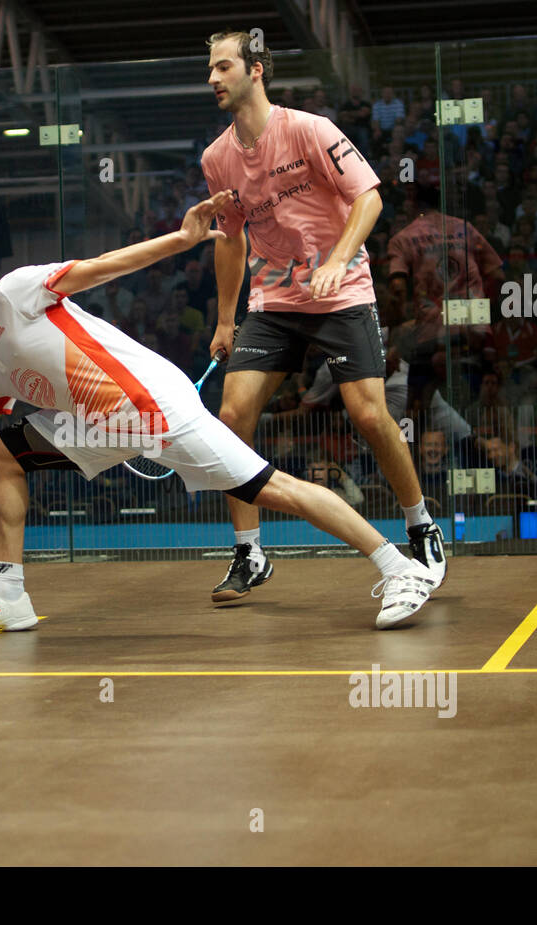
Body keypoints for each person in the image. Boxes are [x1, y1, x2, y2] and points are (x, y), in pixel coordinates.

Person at [0, 197, 436, 634]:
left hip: (153, 407)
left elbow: (100, 268)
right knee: (2, 453)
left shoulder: (15, 293)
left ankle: (399, 568)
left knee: (273, 489)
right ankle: (7, 596)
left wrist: (183, 240)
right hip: (98, 425)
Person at [199, 30, 448, 606]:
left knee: (368, 413)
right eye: (209, 70)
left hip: (342, 295)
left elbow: (370, 197)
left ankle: (420, 527)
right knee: (231, 414)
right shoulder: (217, 159)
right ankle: (249, 551)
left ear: (255, 70)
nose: (212, 79)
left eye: (223, 67)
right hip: (274, 303)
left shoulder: (309, 129)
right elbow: (230, 240)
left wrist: (338, 260)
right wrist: (224, 320)